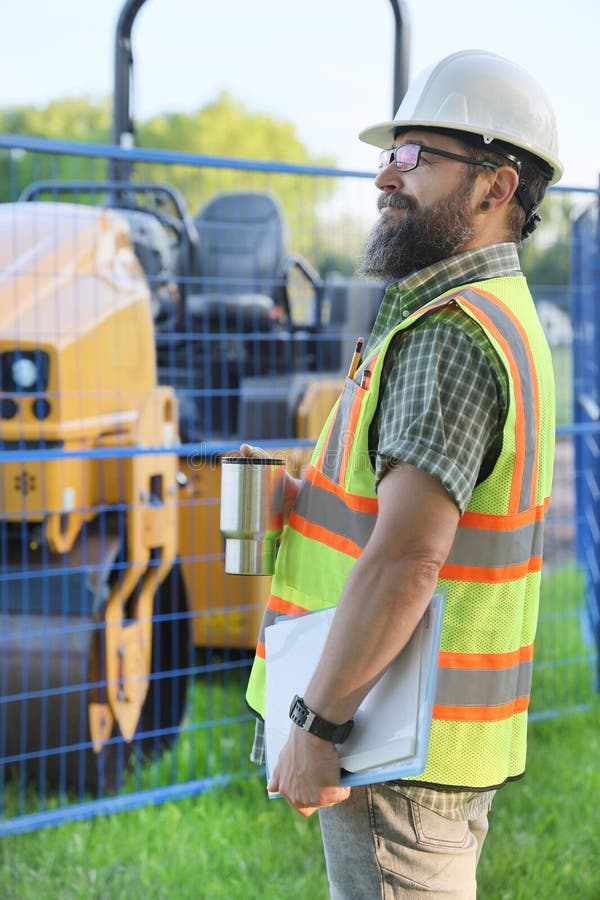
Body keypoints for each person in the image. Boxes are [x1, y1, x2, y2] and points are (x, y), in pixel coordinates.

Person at [244, 48, 561, 898]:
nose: (388, 173)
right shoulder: (490, 313)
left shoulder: (452, 333)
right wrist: (302, 503)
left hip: (391, 747)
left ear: (497, 186)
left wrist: (316, 722)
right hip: (425, 737)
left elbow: (411, 558)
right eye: (388, 153)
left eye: (416, 155)